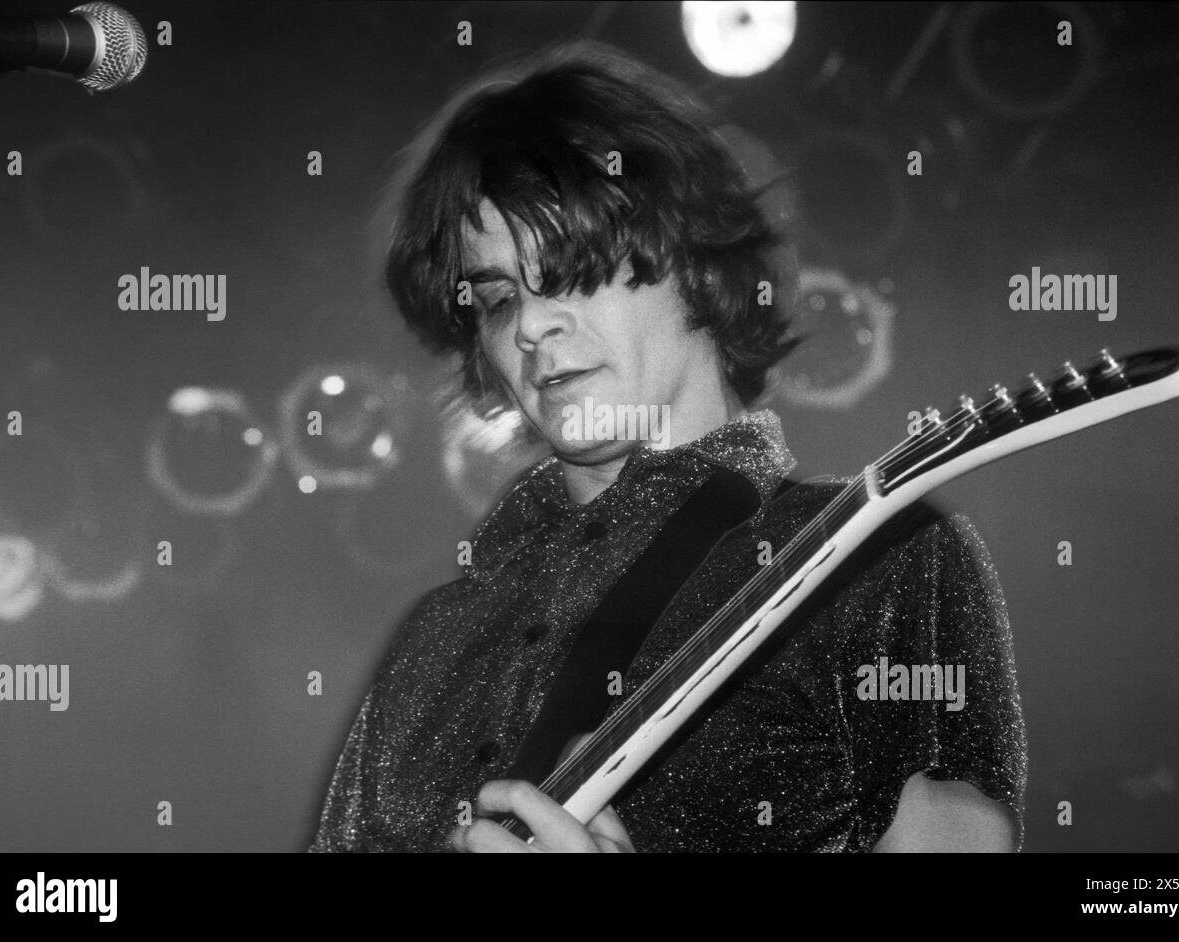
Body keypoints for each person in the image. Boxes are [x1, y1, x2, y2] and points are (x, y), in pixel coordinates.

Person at [308, 41, 1026, 853]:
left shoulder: (875, 553)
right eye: (499, 298)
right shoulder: (436, 638)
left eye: (574, 269)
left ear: (694, 262)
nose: (532, 325)